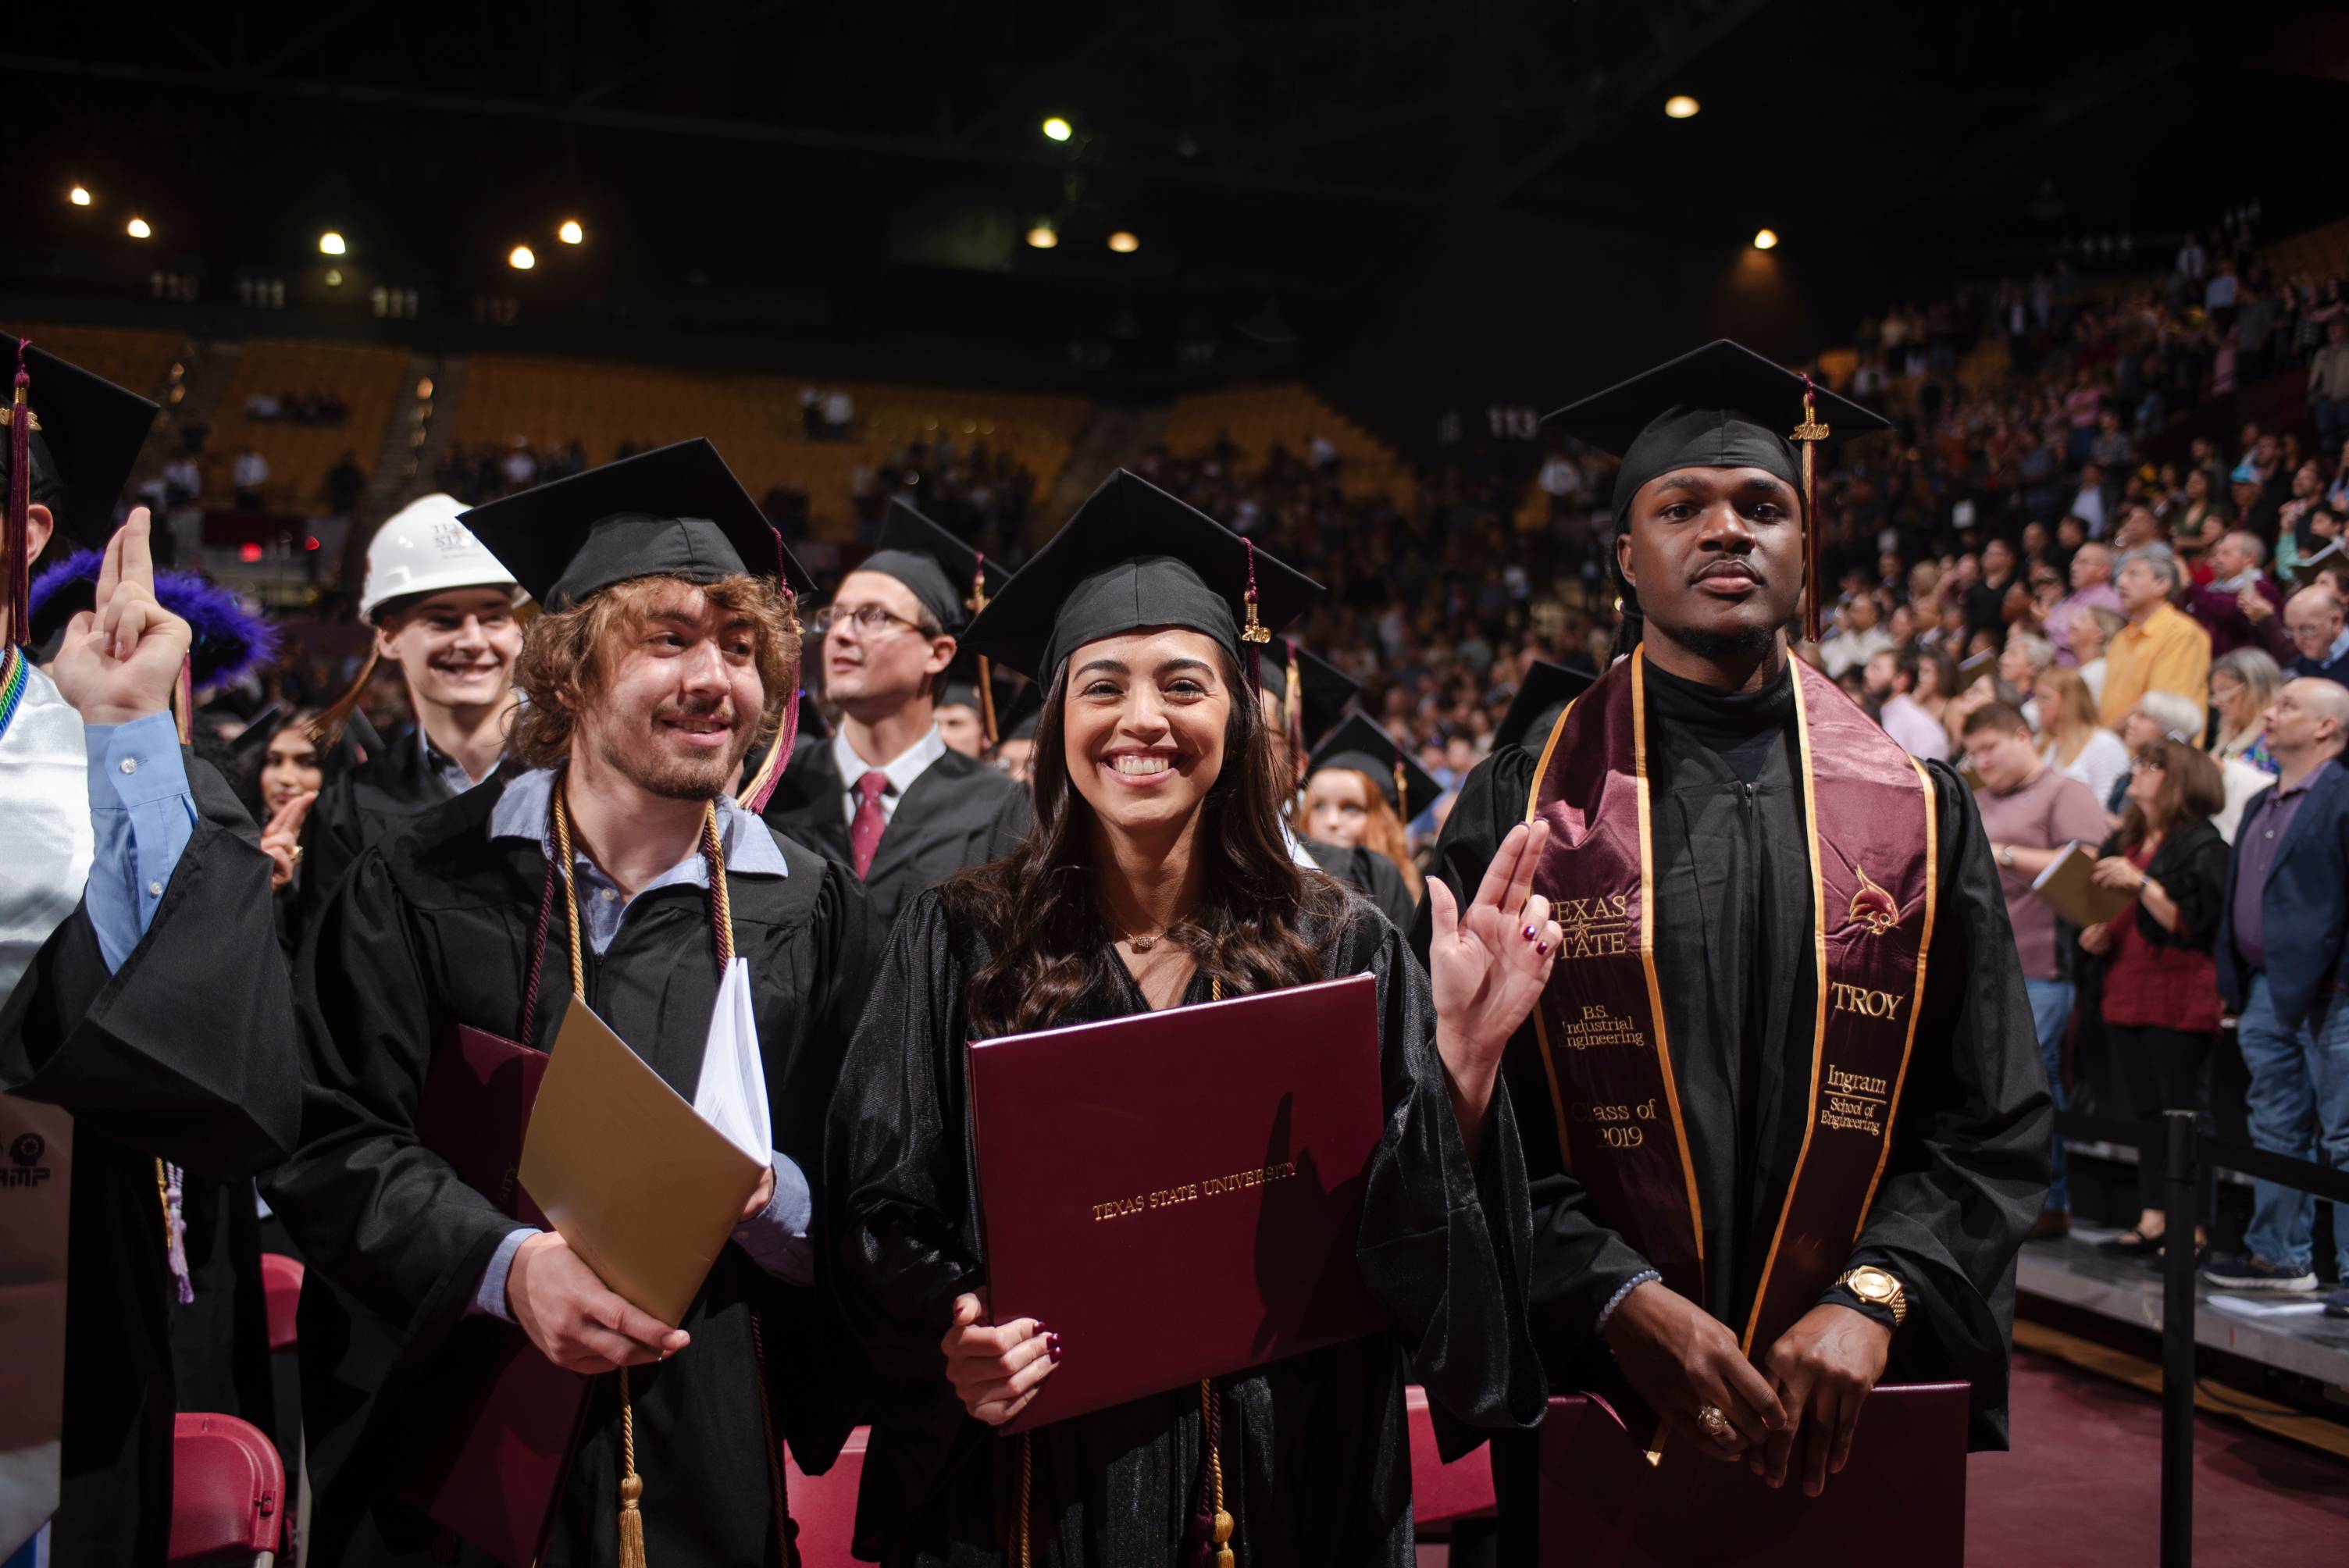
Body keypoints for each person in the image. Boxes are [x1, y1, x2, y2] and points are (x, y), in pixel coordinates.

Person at [828, 469, 1547, 1567]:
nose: (1143, 721)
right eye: (1102, 686)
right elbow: (881, 1205)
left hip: (1286, 1479)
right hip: (1034, 1495)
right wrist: (954, 1336)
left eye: (1184, 684)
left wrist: (1465, 1067)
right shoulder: (961, 940)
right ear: (1060, 717)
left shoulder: (1336, 946)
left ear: (1237, 717)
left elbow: (1414, 1273)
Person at [1419, 342, 2048, 1560]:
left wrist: (1874, 1297)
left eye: (1764, 507)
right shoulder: (1522, 805)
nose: (1728, 532)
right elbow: (1455, 1106)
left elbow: (1995, 1121)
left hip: (1848, 1402)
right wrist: (1614, 1293)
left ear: (1805, 553)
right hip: (1594, 1391)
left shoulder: (1918, 811)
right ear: (1624, 556)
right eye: (1682, 508)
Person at [264, 439, 880, 1564]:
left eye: (742, 648)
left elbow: (885, 1175)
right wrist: (506, 1267)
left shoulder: (814, 909)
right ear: (566, 668)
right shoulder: (418, 879)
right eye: (671, 639)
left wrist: (782, 1199)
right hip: (455, 1443)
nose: (717, 680)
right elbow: (327, 1133)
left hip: (707, 1446)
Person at [1, 343, 301, 1568]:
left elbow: (200, 1049)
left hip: (50, 1313)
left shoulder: (102, 754)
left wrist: (125, 736)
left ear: (23, 528)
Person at [761, 499, 1020, 928]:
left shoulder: (1000, 809)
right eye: (836, 617)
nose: (841, 634)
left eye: (872, 617)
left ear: (938, 653)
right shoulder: (774, 785)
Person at [294, 494, 522, 937]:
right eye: (443, 620)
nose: (474, 640)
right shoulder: (352, 804)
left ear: (517, 631)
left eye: (493, 617)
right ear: (389, 638)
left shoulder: (583, 772)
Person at [2205, 678, 2349, 1306]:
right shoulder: (2266, 799)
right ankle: (2280, 1258)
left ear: (2327, 727)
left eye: (2288, 705)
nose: (2270, 712)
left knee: (2345, 1135)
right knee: (2277, 1126)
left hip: (2334, 991)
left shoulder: (2343, 794)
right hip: (2266, 989)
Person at [1964, 703, 2119, 1241]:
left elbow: (2090, 861)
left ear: (2023, 736)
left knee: (2034, 1085)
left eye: (1991, 747)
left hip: (2045, 964)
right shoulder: (1976, 799)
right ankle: (1997, 1199)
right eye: (1974, 752)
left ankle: (2051, 1201)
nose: (1982, 761)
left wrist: (2003, 852)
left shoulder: (2064, 791)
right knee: (1986, 1091)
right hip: (1980, 964)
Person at [2077, 739, 2228, 1260]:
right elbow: (2115, 914)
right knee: (2142, 1112)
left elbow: (2196, 921)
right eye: (2137, 763)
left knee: (2184, 1113)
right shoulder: (2129, 837)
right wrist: (2097, 933)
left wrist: (2141, 882)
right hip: (2124, 986)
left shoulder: (2203, 844)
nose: (2136, 773)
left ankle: (2194, 1226)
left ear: (2180, 778)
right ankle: (2153, 1216)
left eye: (2151, 766)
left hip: (2178, 991)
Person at [1260, 638, 1418, 928]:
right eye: (1320, 806)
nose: (1332, 822)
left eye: (1259, 735)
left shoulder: (1367, 877)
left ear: (1297, 766)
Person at [1299, 711, 1438, 914]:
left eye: (1351, 807)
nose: (1332, 821)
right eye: (1319, 806)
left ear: (1383, 822)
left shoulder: (1404, 900)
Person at [2099, 543, 2212, 727]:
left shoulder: (2181, 633)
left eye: (2133, 575)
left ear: (2162, 585)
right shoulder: (2122, 637)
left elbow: (2159, 707)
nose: (2121, 583)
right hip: (2116, 748)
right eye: (2121, 575)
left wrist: (2104, 736)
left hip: (2156, 751)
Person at [2033, 665, 2130, 808]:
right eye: (2037, 698)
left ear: (2069, 702)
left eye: (2045, 698)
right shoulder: (2042, 743)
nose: (2038, 706)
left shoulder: (2103, 744)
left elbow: (2109, 805)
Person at [2183, 530, 2287, 660]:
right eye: (2215, 554)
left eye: (2225, 554)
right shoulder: (2213, 587)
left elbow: (2231, 612)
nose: (2216, 559)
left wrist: (2190, 587)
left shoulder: (2260, 589)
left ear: (2249, 558)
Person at [2043, 542, 2121, 668]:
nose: (2073, 567)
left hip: (2083, 677)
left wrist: (2048, 620)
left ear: (2103, 569)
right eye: (2074, 561)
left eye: (2082, 562)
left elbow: (2075, 637)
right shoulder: (2072, 597)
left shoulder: (2110, 601)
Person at [2207, 647, 2283, 774]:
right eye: (2215, 693)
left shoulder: (2275, 740)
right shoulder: (2230, 736)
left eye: (2225, 691)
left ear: (2256, 689)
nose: (2218, 702)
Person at [1870, 643, 1952, 761]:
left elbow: (1929, 772)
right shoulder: (1881, 711)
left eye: (1877, 668)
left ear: (1901, 680)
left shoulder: (1918, 724)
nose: (1867, 674)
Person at [2281, 584, 2349, 686]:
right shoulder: (2295, 670)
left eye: (2307, 629)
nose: (2297, 639)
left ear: (2335, 621)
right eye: (2290, 630)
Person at [1820, 593, 1891, 678]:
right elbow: (1823, 653)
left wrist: (1846, 634)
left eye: (1856, 611)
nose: (1850, 614)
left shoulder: (1884, 643)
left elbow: (1860, 664)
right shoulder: (1847, 633)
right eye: (1850, 610)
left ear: (1873, 616)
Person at [2069, 604, 2123, 705]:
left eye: (2082, 620)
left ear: (2099, 635)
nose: (2072, 623)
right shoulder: (2087, 669)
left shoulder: (2098, 671)